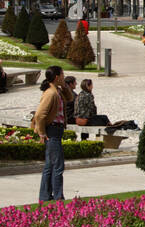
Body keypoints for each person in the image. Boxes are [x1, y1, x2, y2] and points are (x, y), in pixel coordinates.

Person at [32, 66, 74, 203]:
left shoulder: (58, 91)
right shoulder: (51, 93)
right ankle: (58, 197)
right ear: (57, 77)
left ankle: (45, 196)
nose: (64, 76)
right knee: (58, 166)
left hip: (56, 130)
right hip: (52, 131)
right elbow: (39, 115)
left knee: (50, 166)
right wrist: (42, 133)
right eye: (62, 74)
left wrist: (64, 86)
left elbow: (70, 97)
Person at [73, 78, 138, 132]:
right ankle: (111, 130)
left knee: (102, 118)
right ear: (88, 86)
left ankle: (84, 138)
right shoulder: (88, 95)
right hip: (85, 121)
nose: (92, 86)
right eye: (92, 85)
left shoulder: (79, 94)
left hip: (77, 120)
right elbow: (92, 109)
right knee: (104, 118)